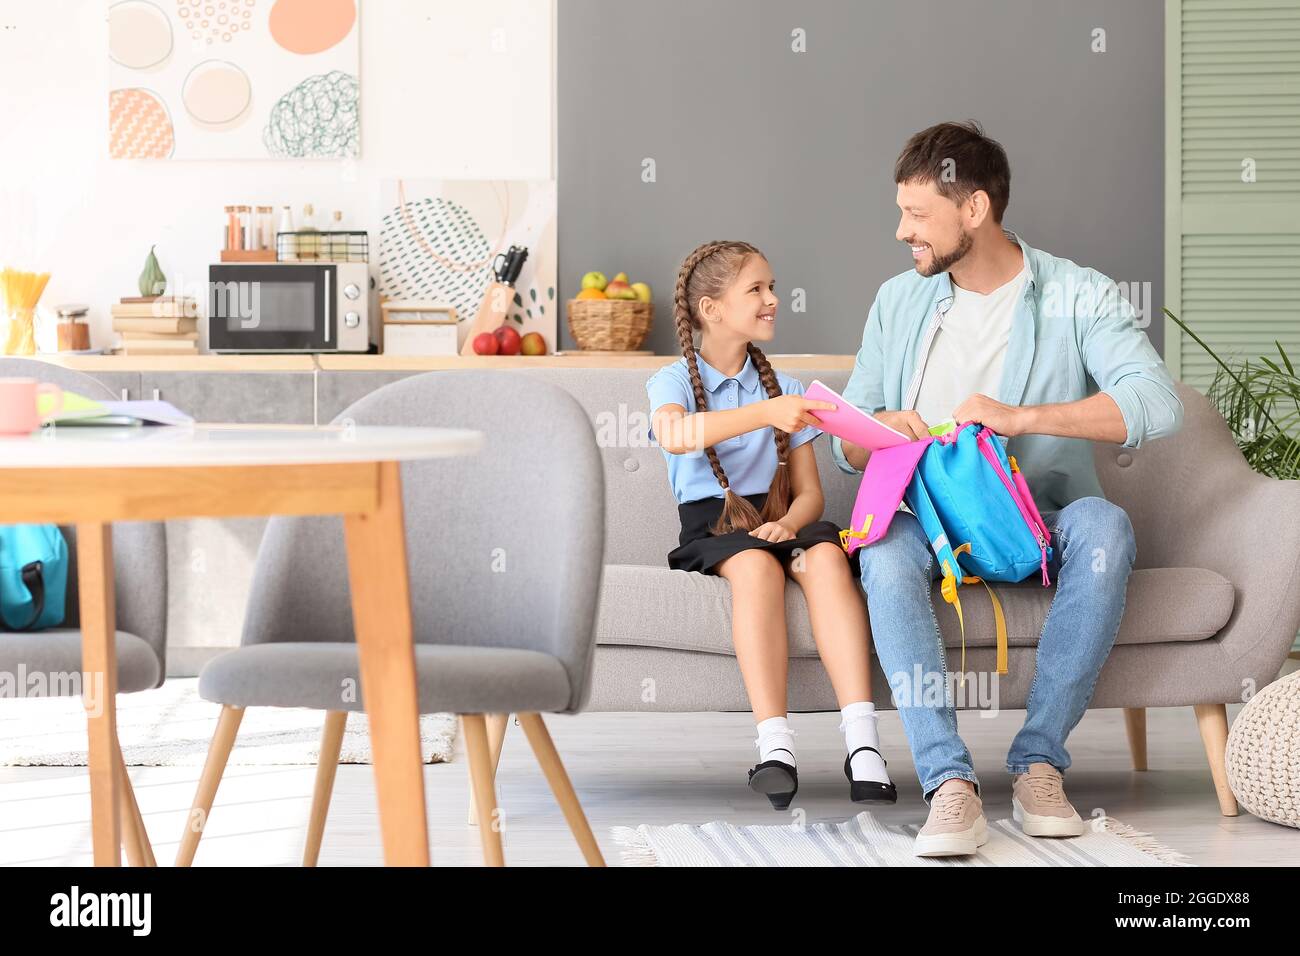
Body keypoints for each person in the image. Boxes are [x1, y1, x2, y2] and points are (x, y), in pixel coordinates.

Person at [833, 122, 1183, 856]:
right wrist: (876, 429)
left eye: (918, 215)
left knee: (1105, 527)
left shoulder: (1076, 293)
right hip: (924, 522)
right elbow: (843, 442)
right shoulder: (899, 302)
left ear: (975, 209)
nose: (902, 232)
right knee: (883, 553)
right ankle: (948, 785)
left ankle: (1038, 765)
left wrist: (1019, 416)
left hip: (1038, 521)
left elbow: (1156, 403)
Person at [647, 239, 897, 810]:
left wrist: (789, 525)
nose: (773, 299)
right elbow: (675, 434)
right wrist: (765, 413)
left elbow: (809, 494)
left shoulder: (784, 386)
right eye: (756, 289)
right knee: (756, 570)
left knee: (829, 555)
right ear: (711, 309)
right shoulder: (673, 381)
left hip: (784, 518)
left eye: (773, 287)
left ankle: (863, 745)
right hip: (715, 526)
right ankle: (775, 747)